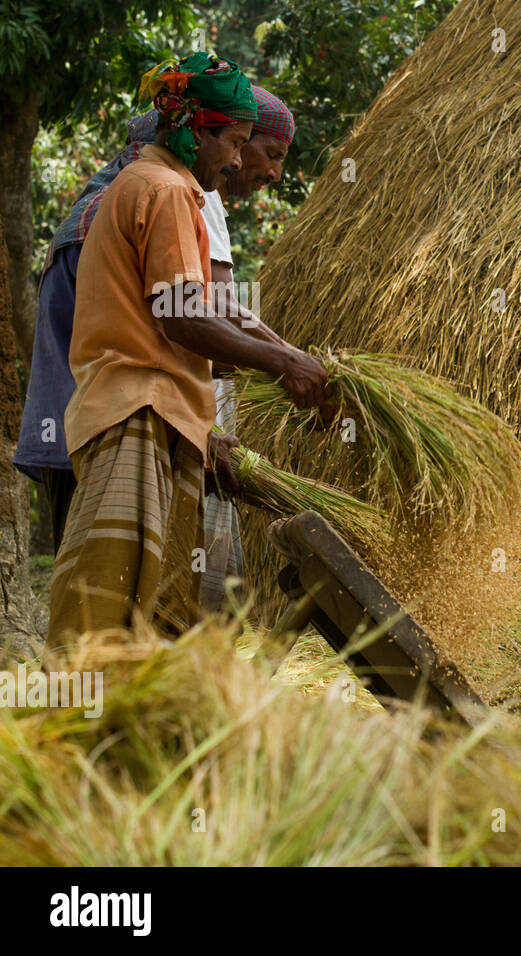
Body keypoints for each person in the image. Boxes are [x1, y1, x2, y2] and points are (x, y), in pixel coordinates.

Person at [45, 52, 330, 643]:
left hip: (149, 412)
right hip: (134, 410)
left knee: (139, 610)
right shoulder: (168, 190)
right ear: (197, 130)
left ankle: (117, 725)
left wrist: (291, 360)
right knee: (104, 611)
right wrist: (284, 364)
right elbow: (182, 317)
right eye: (234, 142)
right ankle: (72, 723)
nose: (236, 159)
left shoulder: (153, 184)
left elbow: (204, 309)